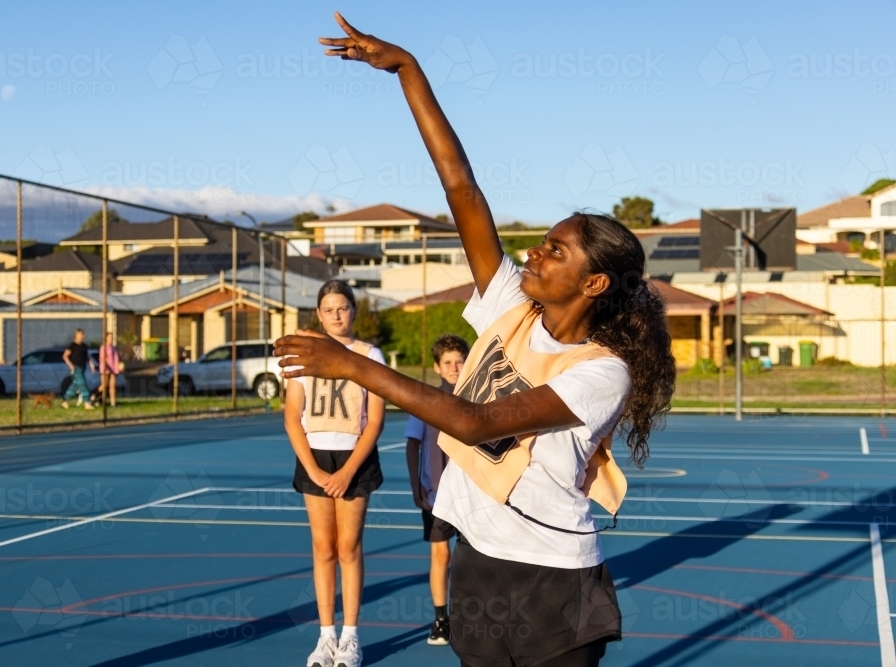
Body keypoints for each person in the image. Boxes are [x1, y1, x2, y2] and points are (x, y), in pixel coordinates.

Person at [275, 14, 676, 667]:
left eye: (554, 250)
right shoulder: (511, 307)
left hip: (555, 585)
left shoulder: (601, 370)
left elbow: (475, 419)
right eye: (541, 242)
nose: (534, 253)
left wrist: (350, 363)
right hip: (479, 566)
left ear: (595, 281)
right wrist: (407, 69)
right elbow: (459, 183)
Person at [284, 279, 386, 667]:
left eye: (342, 308)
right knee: (323, 548)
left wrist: (347, 471)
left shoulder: (369, 354)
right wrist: (312, 468)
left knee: (348, 548)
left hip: (354, 458)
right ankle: (325, 637)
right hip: (315, 457)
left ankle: (350, 638)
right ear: (319, 314)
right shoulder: (304, 357)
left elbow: (374, 420)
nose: (336, 315)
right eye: (328, 310)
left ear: (354, 311)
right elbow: (293, 417)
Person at [404, 333, 469, 647]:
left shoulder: (478, 398)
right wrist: (415, 482)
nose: (455, 367)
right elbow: (412, 442)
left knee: (473, 557)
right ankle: (441, 618)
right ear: (437, 367)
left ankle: (470, 615)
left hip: (474, 494)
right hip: (437, 493)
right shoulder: (426, 400)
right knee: (440, 553)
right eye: (448, 363)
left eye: (459, 361)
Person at [61, 329, 96, 410]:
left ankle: (64, 401)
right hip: (76, 369)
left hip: (83, 368)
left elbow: (87, 357)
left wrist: (91, 365)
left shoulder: (84, 346)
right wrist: (71, 366)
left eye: (83, 335)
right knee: (82, 384)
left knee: (74, 386)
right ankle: (87, 402)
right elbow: (65, 356)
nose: (83, 336)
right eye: (81, 335)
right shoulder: (72, 345)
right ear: (76, 336)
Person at [98, 332, 121, 407]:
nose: (111, 338)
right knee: (104, 385)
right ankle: (95, 396)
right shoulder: (103, 347)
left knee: (112, 386)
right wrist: (106, 368)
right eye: (110, 337)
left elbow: (117, 358)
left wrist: (119, 366)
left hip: (113, 369)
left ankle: (113, 403)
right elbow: (102, 359)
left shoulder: (114, 347)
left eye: (112, 337)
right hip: (106, 369)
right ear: (106, 338)